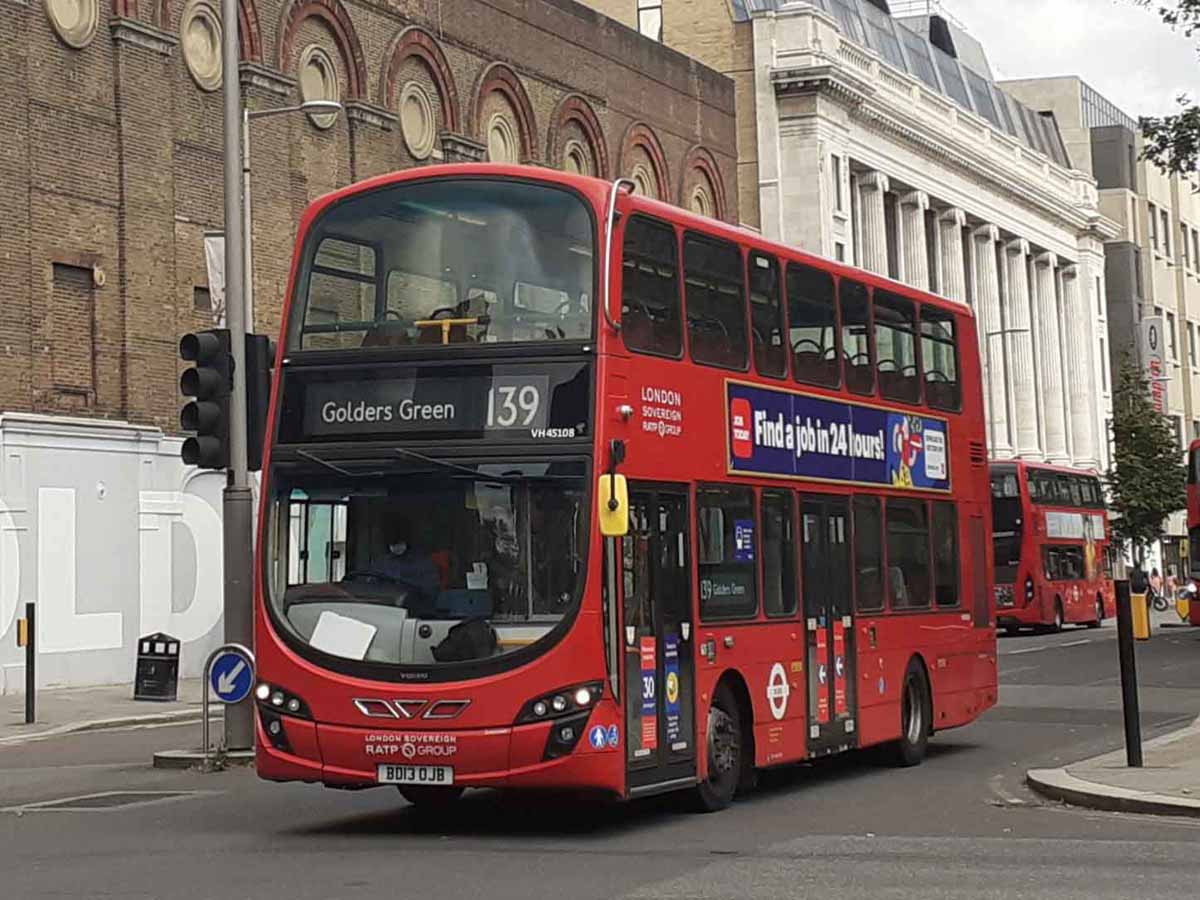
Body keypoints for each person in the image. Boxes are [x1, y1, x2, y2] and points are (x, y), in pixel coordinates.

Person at [374, 520, 441, 609]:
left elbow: (431, 592)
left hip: (415, 610)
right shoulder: (381, 563)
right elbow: (372, 586)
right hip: (385, 608)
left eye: (400, 543)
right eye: (393, 544)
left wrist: (408, 596)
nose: (397, 547)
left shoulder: (423, 563)